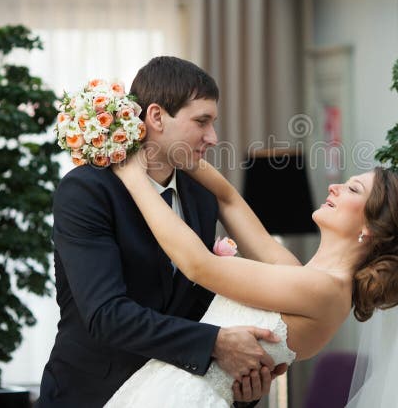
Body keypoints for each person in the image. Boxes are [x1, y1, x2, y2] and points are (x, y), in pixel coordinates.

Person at [107, 156, 398, 407]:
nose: (334, 186)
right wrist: (177, 150)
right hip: (161, 386)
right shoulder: (300, 275)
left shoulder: (326, 292)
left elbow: (198, 265)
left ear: (370, 228)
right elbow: (230, 199)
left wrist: (129, 170)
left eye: (352, 188)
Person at [37, 57, 284, 408]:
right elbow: (106, 315)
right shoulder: (86, 191)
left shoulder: (200, 197)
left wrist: (242, 385)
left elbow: (198, 307)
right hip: (91, 395)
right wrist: (215, 343)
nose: (212, 138)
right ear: (155, 117)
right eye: (201, 122)